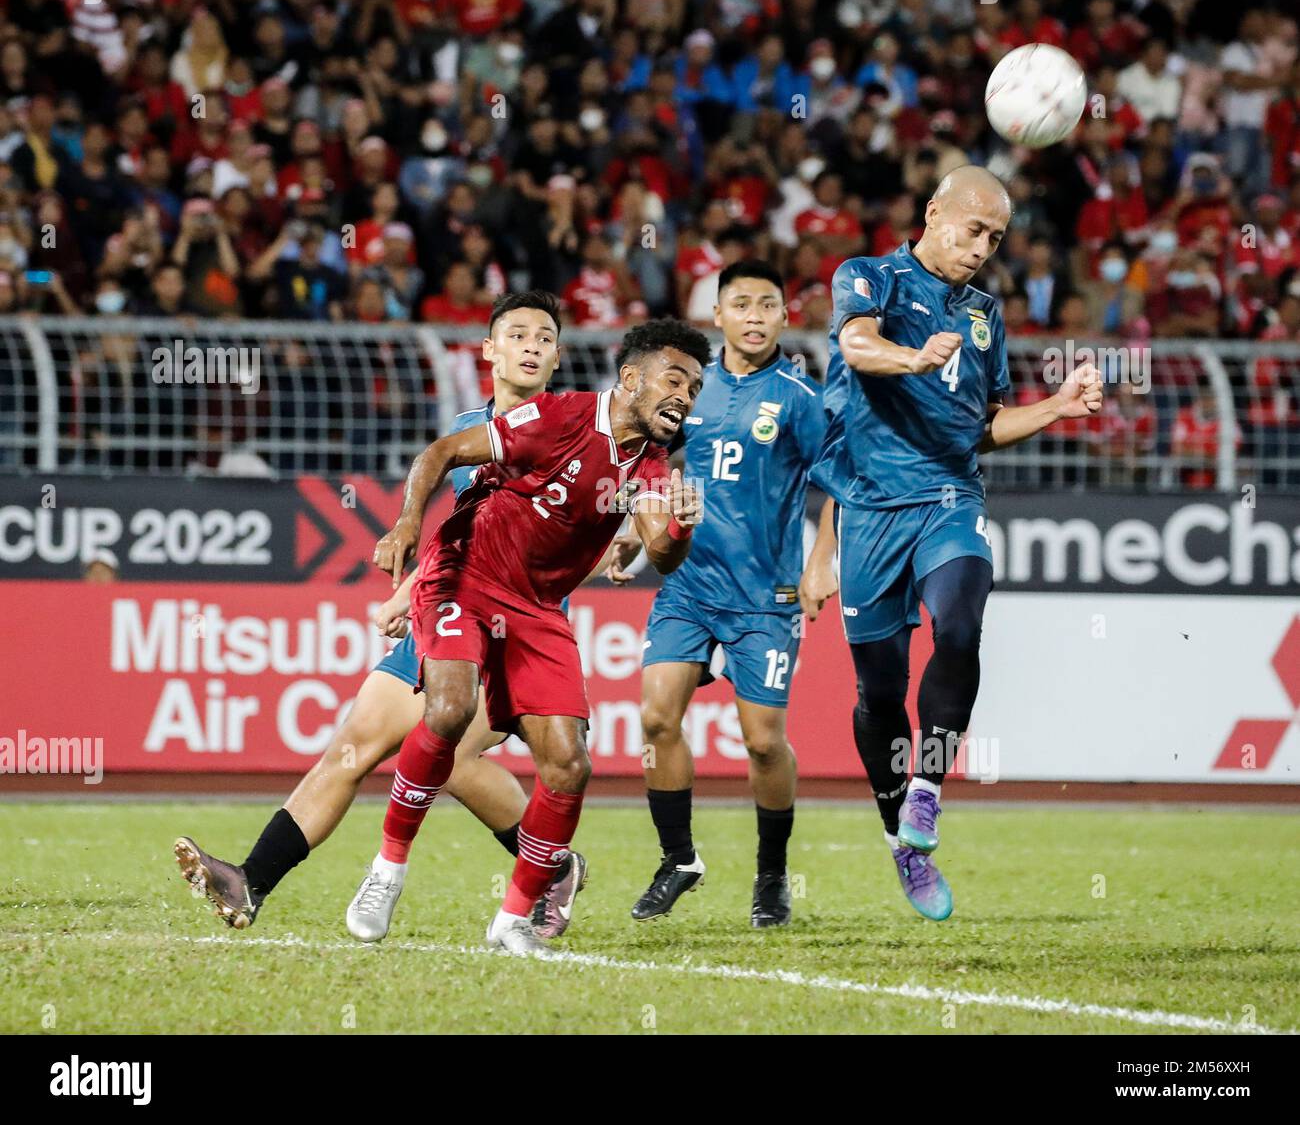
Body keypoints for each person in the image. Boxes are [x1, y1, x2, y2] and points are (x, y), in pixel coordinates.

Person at [174, 292, 623, 938]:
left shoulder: (571, 431)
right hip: (445, 612)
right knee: (351, 746)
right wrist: (412, 589)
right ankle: (249, 881)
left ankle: (551, 869)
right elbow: (466, 533)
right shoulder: (470, 429)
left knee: (456, 757)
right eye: (516, 333)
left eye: (544, 337)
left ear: (557, 357)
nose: (531, 344)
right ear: (489, 351)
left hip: (515, 632)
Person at [800, 166, 1103, 922]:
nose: (982, 248)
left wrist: (1057, 407)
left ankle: (928, 791)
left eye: (995, 238)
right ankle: (898, 833)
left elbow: (984, 426)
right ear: (934, 214)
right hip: (869, 509)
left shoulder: (984, 315)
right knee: (877, 692)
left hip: (948, 497)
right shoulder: (868, 276)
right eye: (973, 230)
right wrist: (914, 357)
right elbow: (858, 345)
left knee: (962, 623)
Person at [355, 317, 713, 955]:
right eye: (674, 379)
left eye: (695, 386)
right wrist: (407, 523)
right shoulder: (558, 415)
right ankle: (386, 871)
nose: (686, 395)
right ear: (630, 379)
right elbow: (440, 454)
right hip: (464, 575)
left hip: (538, 609)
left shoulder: (651, 462)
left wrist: (681, 527)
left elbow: (661, 553)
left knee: (570, 763)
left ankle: (514, 919)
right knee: (450, 706)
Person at [630, 260, 825, 928]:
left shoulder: (800, 397)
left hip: (766, 595)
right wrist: (637, 532)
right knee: (657, 718)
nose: (753, 315)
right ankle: (678, 858)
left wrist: (822, 563)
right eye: (739, 303)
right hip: (688, 583)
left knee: (764, 740)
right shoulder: (692, 389)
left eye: (766, 304)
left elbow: (843, 484)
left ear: (783, 316)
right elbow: (648, 461)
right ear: (718, 316)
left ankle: (772, 875)